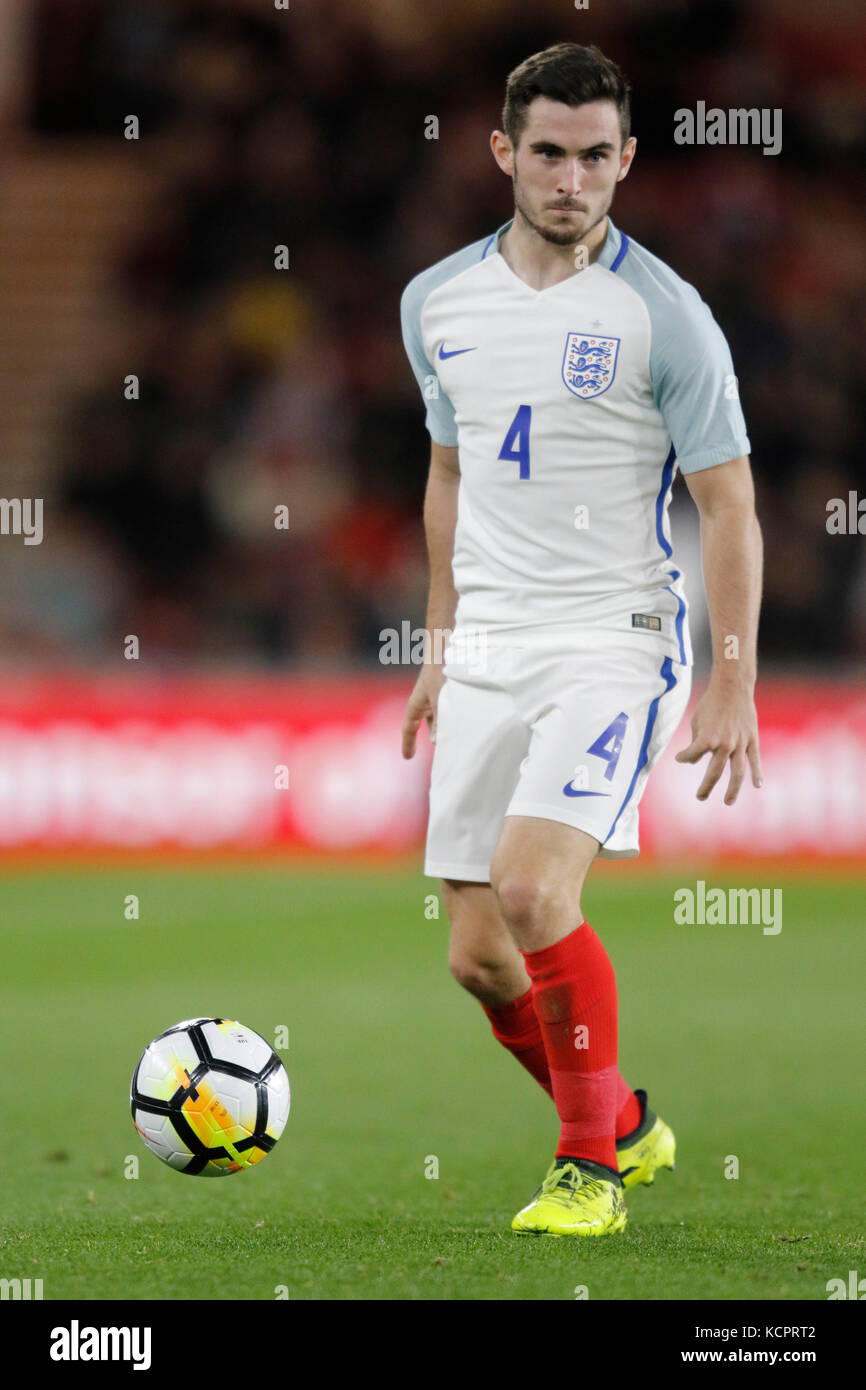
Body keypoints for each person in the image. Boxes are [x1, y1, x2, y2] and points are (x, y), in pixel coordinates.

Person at [399, 41, 762, 1236]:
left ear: (625, 161)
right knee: (477, 957)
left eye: (593, 156)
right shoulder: (436, 303)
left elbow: (727, 504)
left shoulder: (665, 316)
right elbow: (448, 472)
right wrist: (440, 641)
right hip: (491, 637)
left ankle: (586, 1174)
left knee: (530, 886)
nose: (570, 179)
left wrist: (729, 678)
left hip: (611, 637)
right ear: (504, 152)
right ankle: (625, 1120)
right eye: (547, 153)